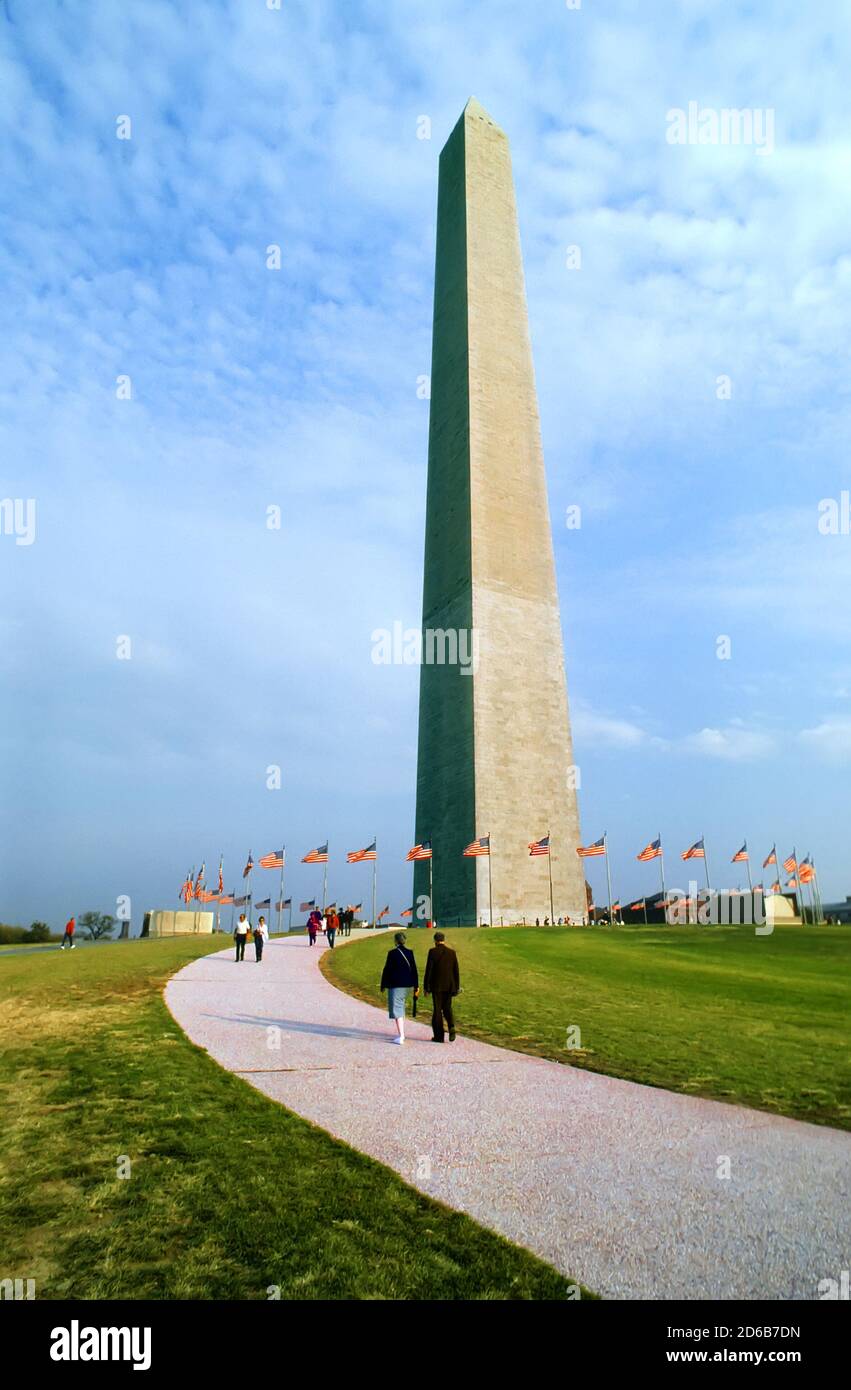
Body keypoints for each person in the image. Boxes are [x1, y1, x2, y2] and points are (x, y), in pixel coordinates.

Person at [380, 930, 419, 1044]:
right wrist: (416, 986)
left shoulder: (392, 953)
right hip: (408, 984)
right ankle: (401, 1033)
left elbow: (387, 970)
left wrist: (383, 985)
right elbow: (414, 970)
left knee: (397, 1009)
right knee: (400, 1007)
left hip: (396, 985)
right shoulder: (410, 952)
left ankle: (401, 1036)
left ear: (396, 941)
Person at [423, 931, 460, 1043]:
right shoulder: (452, 952)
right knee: (447, 1007)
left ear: (435, 940)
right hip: (449, 985)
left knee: (437, 1010)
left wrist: (426, 987)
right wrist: (456, 987)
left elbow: (429, 970)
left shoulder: (432, 952)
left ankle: (439, 1036)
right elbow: (456, 971)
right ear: (444, 940)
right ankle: (451, 1025)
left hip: (436, 986)